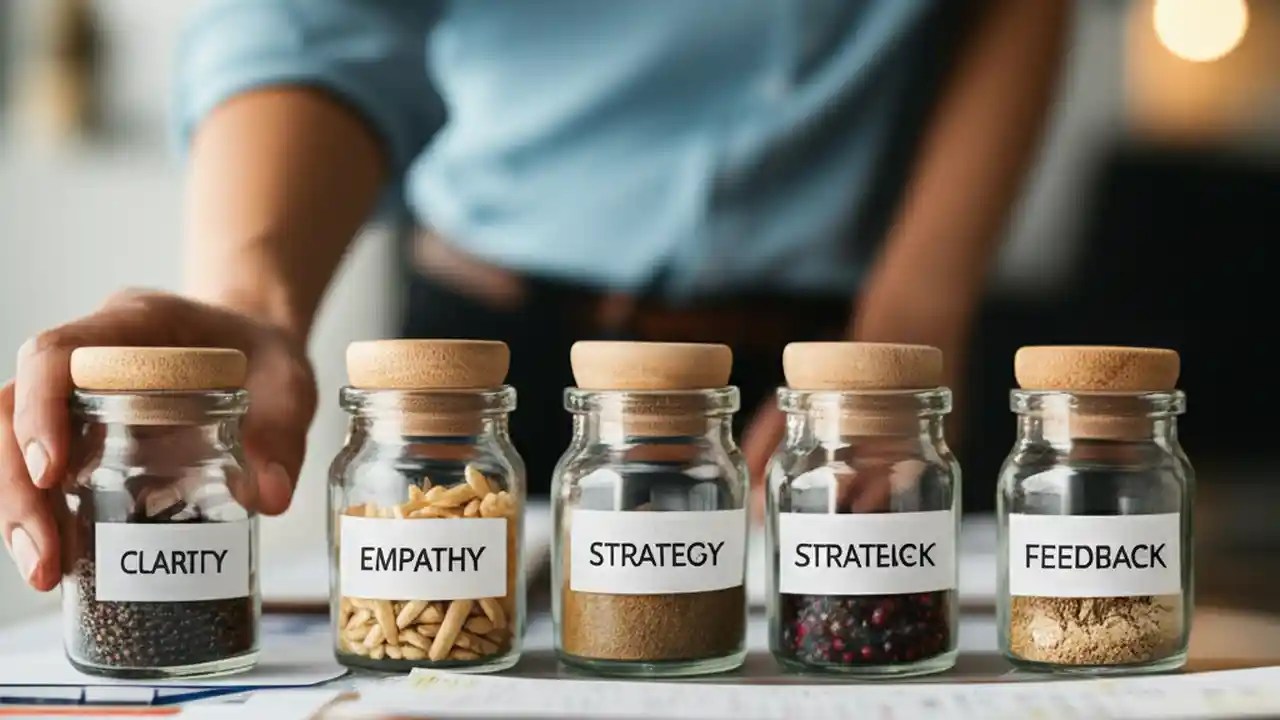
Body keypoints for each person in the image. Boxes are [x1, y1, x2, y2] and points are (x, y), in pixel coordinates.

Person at [1, 0, 1068, 591]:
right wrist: (254, 304)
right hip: (473, 373)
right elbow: (313, 19)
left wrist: (906, 332)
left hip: (829, 386)